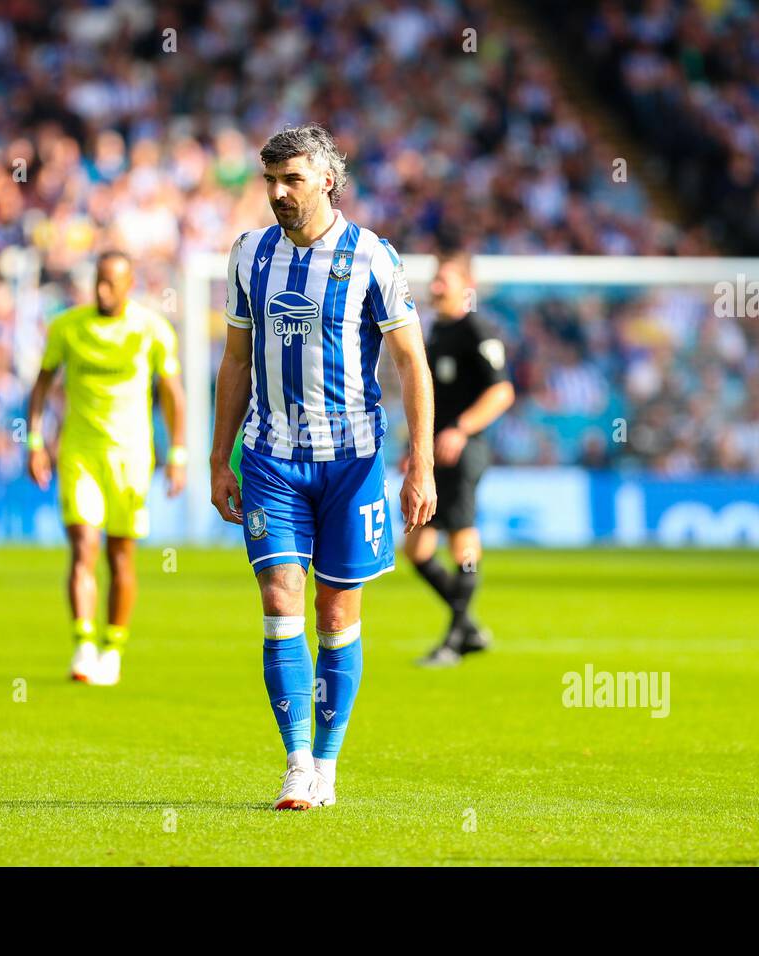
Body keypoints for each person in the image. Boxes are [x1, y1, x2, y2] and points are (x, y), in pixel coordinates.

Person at [209, 124, 436, 810]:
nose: (278, 192)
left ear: (326, 180)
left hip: (352, 464)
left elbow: (410, 364)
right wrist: (220, 457)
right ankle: (297, 763)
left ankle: (328, 764)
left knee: (336, 613)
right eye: (270, 179)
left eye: (292, 180)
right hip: (271, 460)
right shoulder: (249, 255)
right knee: (280, 599)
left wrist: (420, 462)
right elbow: (236, 361)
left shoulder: (372, 256)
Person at [26, 251, 186, 686]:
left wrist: (179, 454)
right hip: (79, 451)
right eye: (97, 281)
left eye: (110, 283)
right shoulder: (68, 327)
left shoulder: (151, 330)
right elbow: (41, 387)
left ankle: (113, 647)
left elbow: (172, 394)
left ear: (128, 284)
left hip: (131, 456)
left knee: (120, 557)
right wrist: (35, 442)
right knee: (83, 547)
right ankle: (83, 646)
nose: (101, 290)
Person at [405, 251, 514, 667]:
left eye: (443, 280)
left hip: (465, 451)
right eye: (434, 280)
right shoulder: (436, 332)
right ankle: (467, 627)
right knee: (415, 550)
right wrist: (416, 450)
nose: (435, 287)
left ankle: (453, 641)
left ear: (466, 287)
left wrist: (461, 429)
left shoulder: (477, 329)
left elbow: (502, 392)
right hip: (433, 454)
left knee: (462, 537)